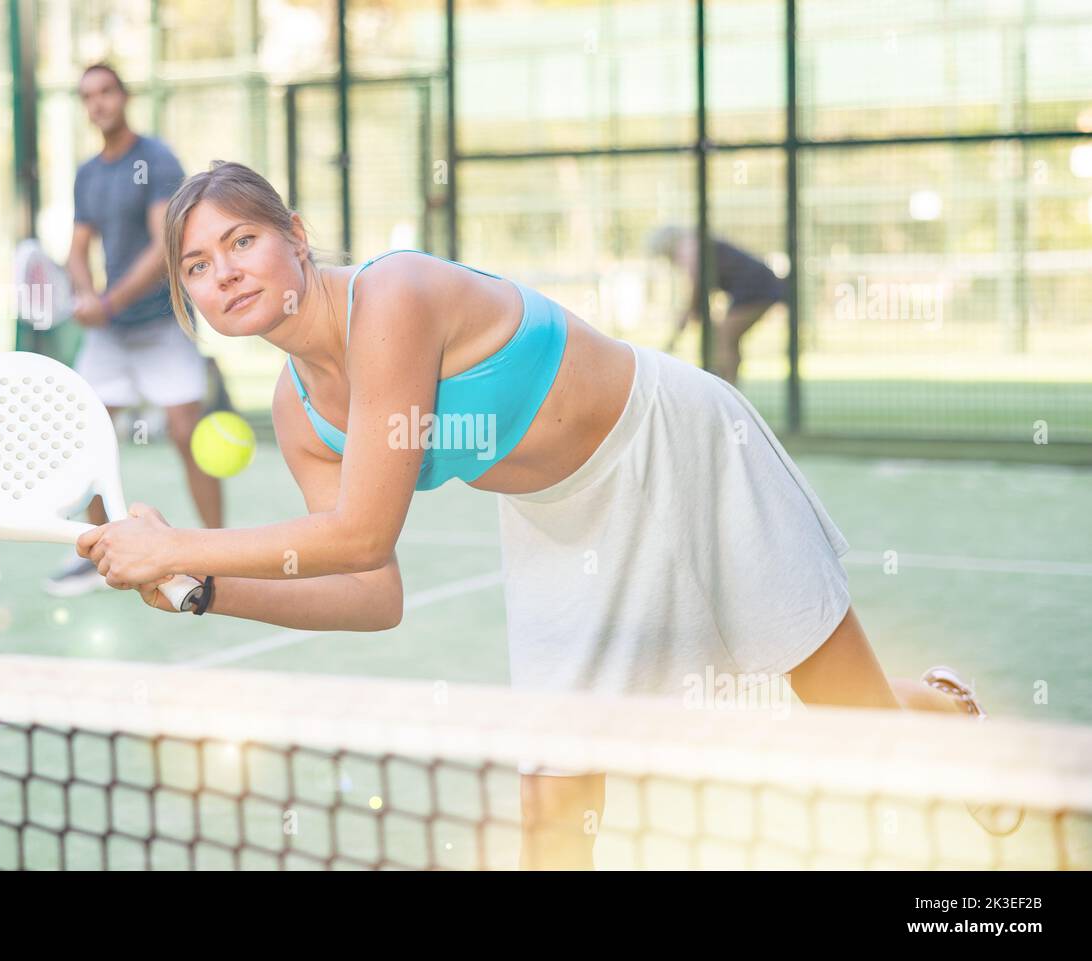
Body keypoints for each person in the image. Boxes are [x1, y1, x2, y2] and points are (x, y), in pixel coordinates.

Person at [76, 161, 1016, 868]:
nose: (226, 274)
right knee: (555, 797)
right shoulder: (298, 410)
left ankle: (941, 714)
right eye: (197, 265)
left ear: (296, 233)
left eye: (242, 241)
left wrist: (178, 540)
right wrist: (204, 587)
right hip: (558, 526)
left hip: (676, 447)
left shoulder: (393, 298)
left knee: (847, 715)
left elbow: (362, 531)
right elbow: (370, 590)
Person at [43, 63, 225, 598]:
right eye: (88, 97)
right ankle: (100, 554)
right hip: (110, 335)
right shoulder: (87, 173)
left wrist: (111, 300)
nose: (98, 103)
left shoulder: (156, 160)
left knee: (187, 433)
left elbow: (162, 243)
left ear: (123, 97)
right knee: (89, 440)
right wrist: (83, 294)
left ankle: (217, 554)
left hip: (160, 322)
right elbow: (78, 248)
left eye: (106, 92)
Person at [648, 226, 786, 385]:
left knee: (724, 337)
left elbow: (697, 285)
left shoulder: (689, 247)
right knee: (725, 338)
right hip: (752, 286)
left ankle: (726, 386)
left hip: (756, 287)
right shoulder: (696, 244)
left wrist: (687, 314)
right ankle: (727, 385)